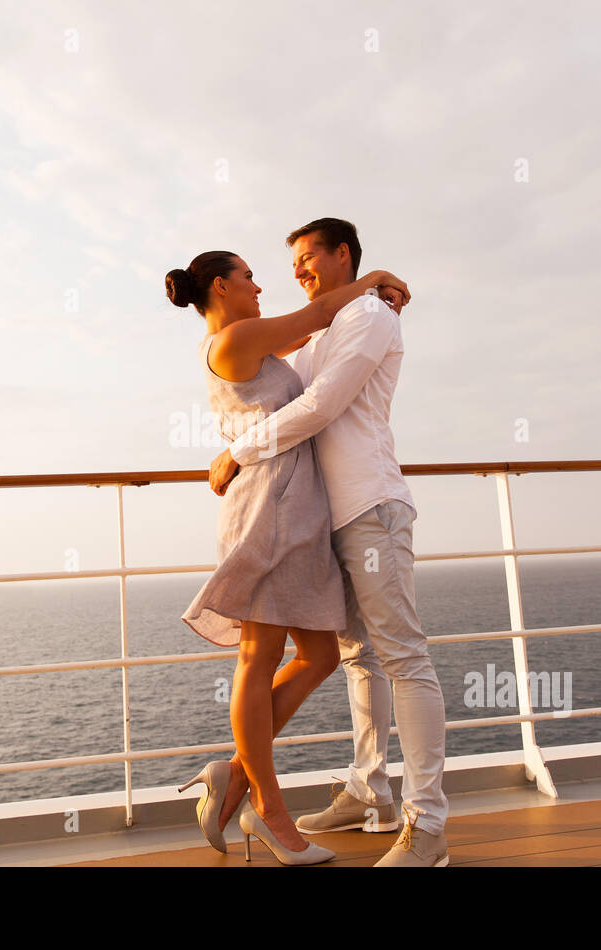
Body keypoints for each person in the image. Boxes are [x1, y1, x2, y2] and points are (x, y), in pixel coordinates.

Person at [208, 218, 450, 867]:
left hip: (372, 508)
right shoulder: (323, 327)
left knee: (402, 658)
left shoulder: (370, 315)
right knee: (357, 658)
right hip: (329, 521)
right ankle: (371, 792)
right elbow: (281, 382)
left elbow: (320, 406)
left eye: (309, 255)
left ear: (344, 254)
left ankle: (428, 829)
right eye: (291, 262)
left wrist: (238, 451)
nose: (299, 269)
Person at [168, 250, 409, 865]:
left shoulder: (255, 340)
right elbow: (323, 309)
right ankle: (270, 812)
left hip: (298, 504)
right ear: (221, 286)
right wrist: (374, 279)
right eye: (248, 276)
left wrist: (364, 303)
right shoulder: (234, 337)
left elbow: (320, 324)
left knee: (321, 653)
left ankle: (234, 776)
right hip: (269, 502)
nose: (258, 285)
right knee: (260, 654)